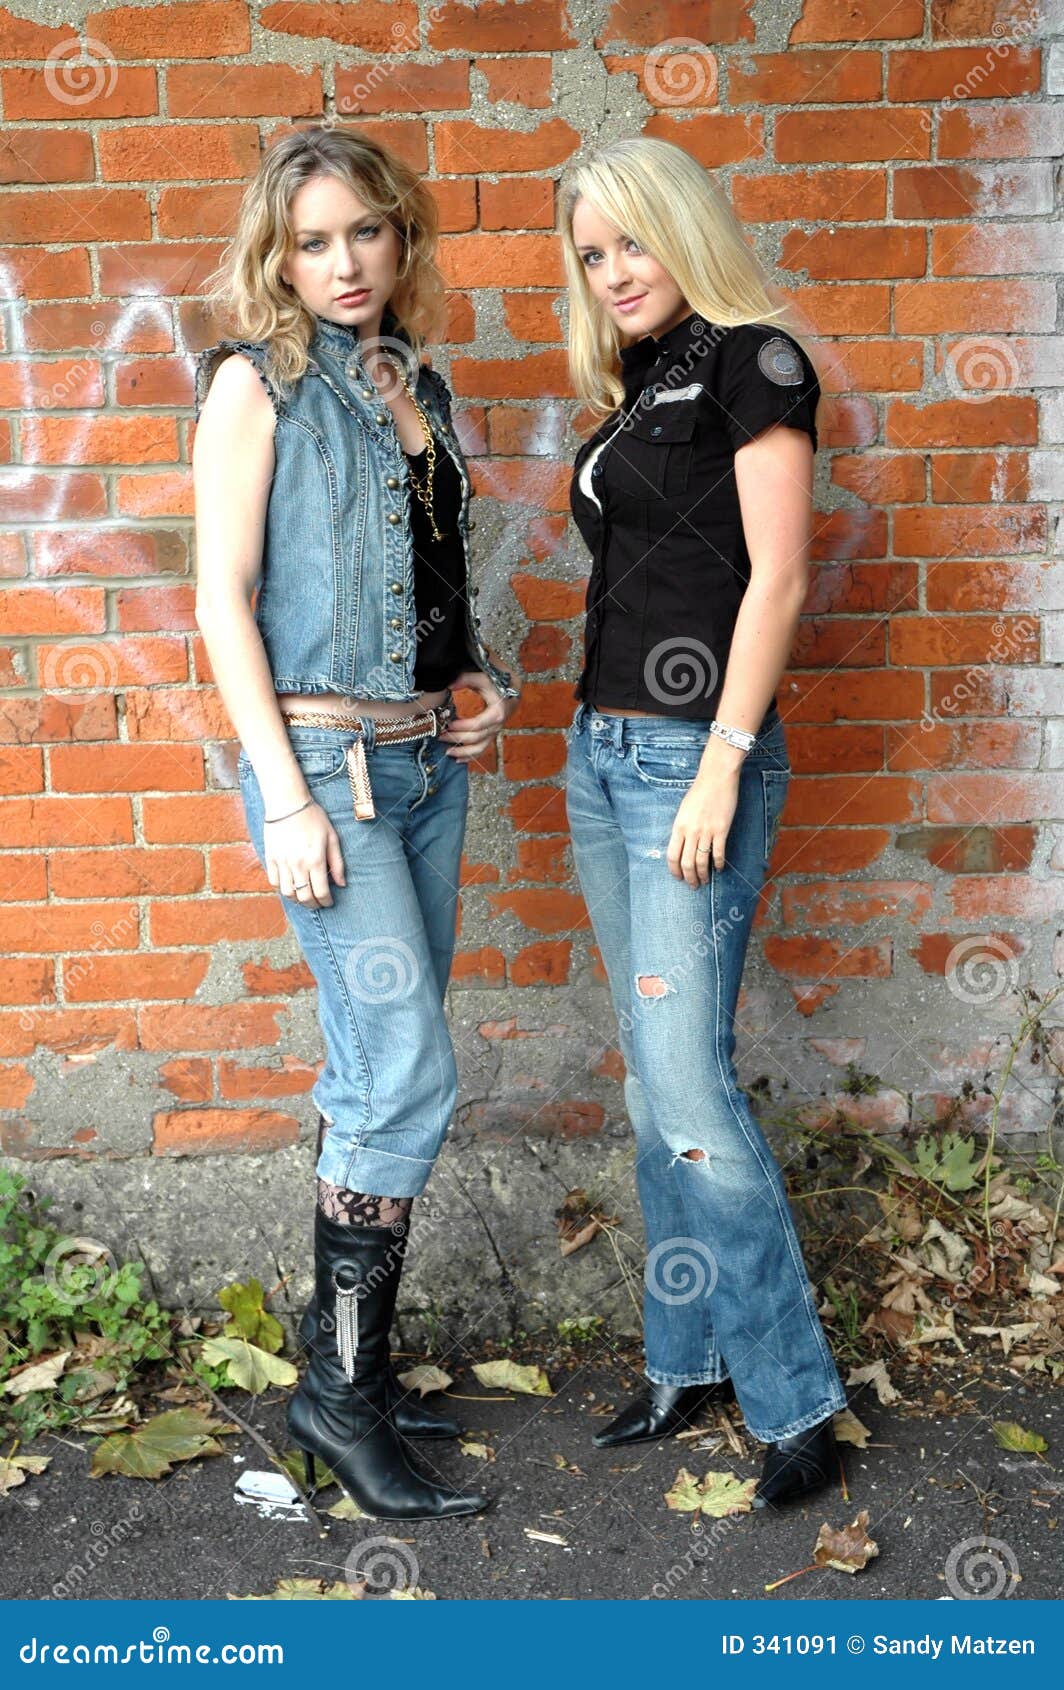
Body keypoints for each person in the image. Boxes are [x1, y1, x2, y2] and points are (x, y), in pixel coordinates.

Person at [192, 125, 520, 1521]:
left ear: (403, 238)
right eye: (313, 240)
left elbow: (433, 582)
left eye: (365, 234)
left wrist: (475, 682)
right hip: (327, 771)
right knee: (409, 1070)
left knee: (371, 1074)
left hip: (425, 767)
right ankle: (336, 1396)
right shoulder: (252, 389)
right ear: (279, 252)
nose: (342, 263)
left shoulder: (415, 386)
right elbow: (222, 598)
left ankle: (344, 1372)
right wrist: (279, 794)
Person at [558, 136, 848, 1509]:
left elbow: (780, 581)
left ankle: (799, 1399)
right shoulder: (637, 380)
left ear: (683, 226)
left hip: (692, 764)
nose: (612, 269)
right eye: (591, 251)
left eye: (631, 239)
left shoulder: (755, 359)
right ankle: (687, 1358)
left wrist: (725, 763)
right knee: (650, 1085)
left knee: (690, 1091)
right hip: (598, 758)